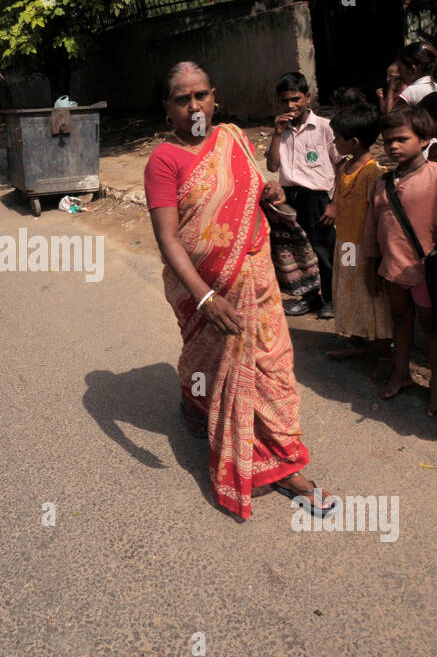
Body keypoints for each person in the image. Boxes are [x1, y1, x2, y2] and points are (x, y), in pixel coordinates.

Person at [144, 61, 337, 520]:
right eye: (181, 98)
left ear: (215, 97)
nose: (194, 106)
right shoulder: (163, 160)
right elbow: (168, 237)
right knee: (206, 358)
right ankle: (196, 401)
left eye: (201, 95)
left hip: (256, 277)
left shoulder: (232, 137)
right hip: (202, 289)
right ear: (167, 109)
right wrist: (206, 298)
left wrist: (266, 194)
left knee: (270, 366)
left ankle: (285, 463)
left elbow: (248, 187)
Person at [362, 105, 437, 417]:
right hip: (393, 271)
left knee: (434, 328)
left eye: (402, 139)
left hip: (429, 274)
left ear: (424, 139)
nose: (393, 146)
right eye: (387, 141)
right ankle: (402, 373)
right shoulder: (381, 184)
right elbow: (371, 230)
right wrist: (370, 268)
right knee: (400, 320)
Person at [266, 72, 341, 318]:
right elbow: (272, 166)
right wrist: (277, 134)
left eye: (296, 99)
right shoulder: (281, 129)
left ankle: (330, 299)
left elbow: (341, 166)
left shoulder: (325, 127)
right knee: (296, 252)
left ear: (308, 97)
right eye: (285, 100)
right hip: (288, 197)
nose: (291, 106)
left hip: (317, 198)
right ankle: (310, 298)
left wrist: (334, 203)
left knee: (323, 250)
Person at [327, 104, 394, 375]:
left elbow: (380, 218)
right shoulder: (345, 165)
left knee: (373, 297)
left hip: (364, 247)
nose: (334, 142)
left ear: (354, 142)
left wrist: (376, 253)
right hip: (345, 243)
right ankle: (355, 340)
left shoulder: (374, 172)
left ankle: (385, 353)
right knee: (349, 291)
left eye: (338, 138)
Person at [393, 40, 437, 106]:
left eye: (400, 68)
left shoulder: (410, 92)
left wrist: (391, 90)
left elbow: (395, 115)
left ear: (413, 69)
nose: (398, 72)